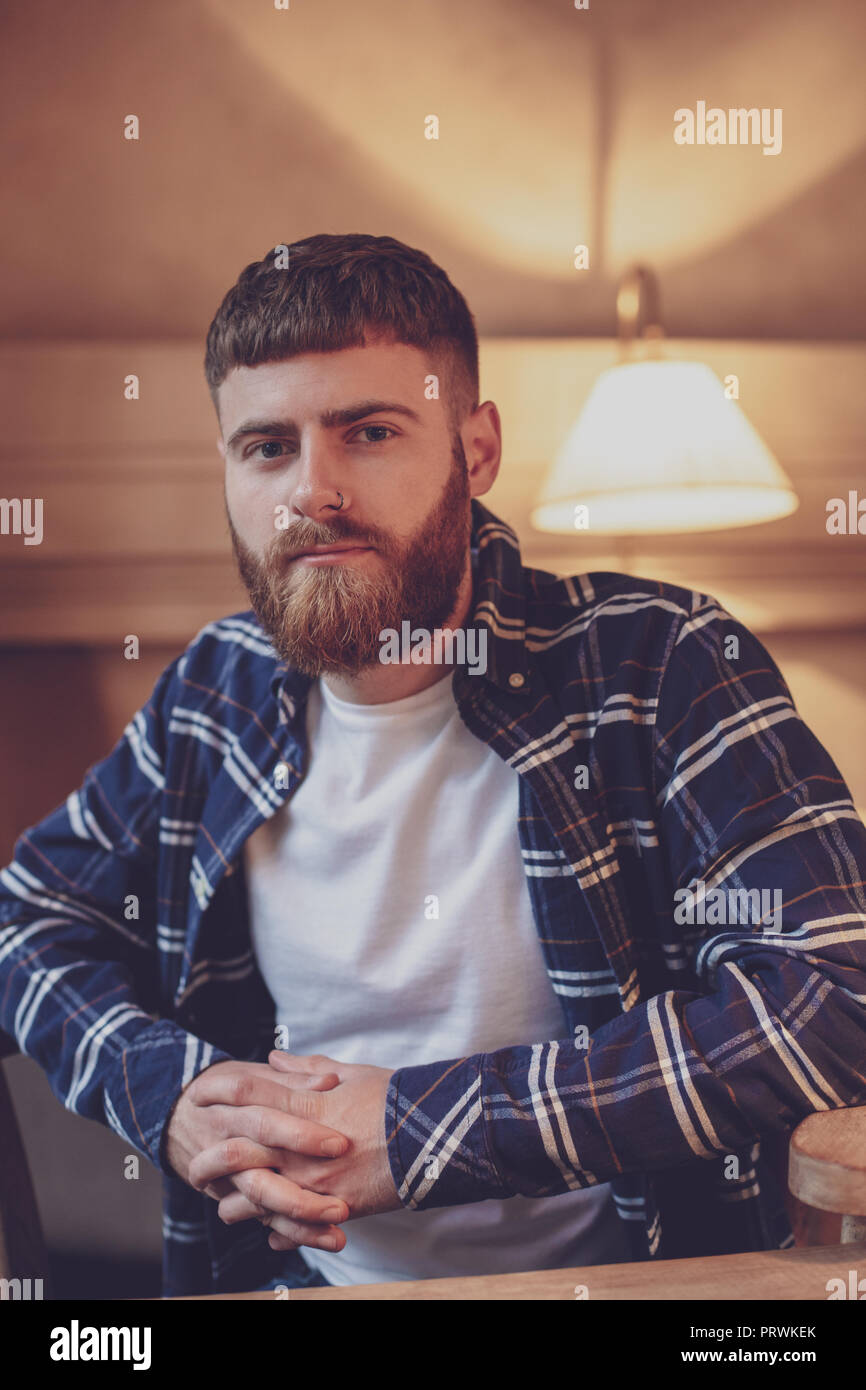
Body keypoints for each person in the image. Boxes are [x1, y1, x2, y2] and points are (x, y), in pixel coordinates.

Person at [1, 233, 864, 1298]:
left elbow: (832, 992)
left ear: (477, 447)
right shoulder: (214, 691)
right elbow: (30, 913)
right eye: (266, 447)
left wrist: (418, 1133)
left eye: (367, 432)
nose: (311, 490)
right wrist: (170, 1093)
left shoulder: (661, 660)